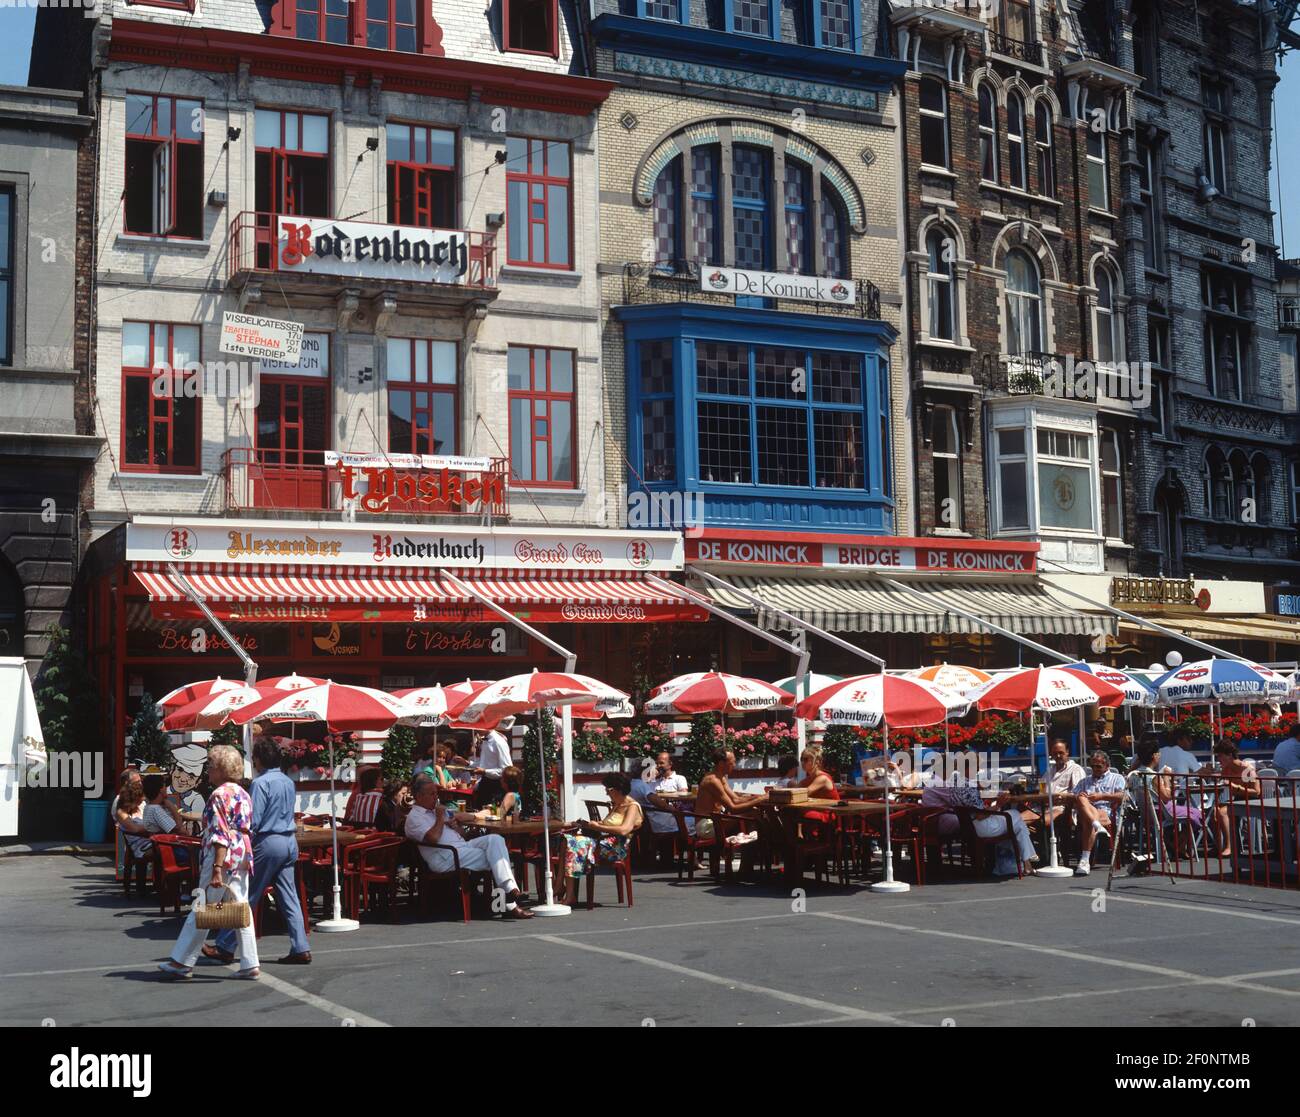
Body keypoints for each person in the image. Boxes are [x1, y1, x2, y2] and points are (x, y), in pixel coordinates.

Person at [204, 736, 311, 967]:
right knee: (289, 897)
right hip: (289, 841)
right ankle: (300, 945)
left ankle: (224, 945)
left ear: (260, 760)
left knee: (245, 894)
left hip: (267, 842)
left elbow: (254, 819)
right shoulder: (287, 781)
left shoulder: (260, 784)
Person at [158, 745, 260, 979]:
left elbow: (219, 834)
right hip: (242, 853)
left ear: (221, 770)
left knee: (202, 907)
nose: (208, 772)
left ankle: (181, 961)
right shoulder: (243, 793)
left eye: (211, 767)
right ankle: (249, 962)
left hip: (222, 856)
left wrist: (216, 867)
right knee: (240, 906)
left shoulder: (218, 795)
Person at [404, 773, 533, 919]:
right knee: (497, 857)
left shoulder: (437, 810)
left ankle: (509, 893)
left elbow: (462, 836)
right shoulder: (414, 818)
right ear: (420, 796)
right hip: (445, 856)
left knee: (496, 840)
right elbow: (433, 838)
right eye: (432, 794)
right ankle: (510, 898)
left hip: (462, 848)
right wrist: (440, 818)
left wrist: (455, 826)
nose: (436, 797)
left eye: (436, 793)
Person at [919, 775, 1039, 878]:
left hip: (967, 825)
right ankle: (1026, 861)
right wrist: (998, 805)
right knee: (1016, 816)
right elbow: (980, 815)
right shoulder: (962, 788)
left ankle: (1026, 862)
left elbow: (974, 810)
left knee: (1017, 825)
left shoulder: (957, 788)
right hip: (977, 827)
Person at [560, 772, 643, 906]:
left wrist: (598, 828)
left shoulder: (632, 806)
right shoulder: (617, 805)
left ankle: (566, 892)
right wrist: (591, 825)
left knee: (575, 842)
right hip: (604, 843)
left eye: (607, 790)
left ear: (614, 790)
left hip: (615, 848)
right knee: (568, 839)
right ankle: (564, 888)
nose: (606, 794)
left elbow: (624, 830)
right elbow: (607, 826)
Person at [1072, 750, 1127, 876]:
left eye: (1098, 766)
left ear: (1107, 765)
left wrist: (1101, 796)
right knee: (1080, 798)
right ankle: (1097, 825)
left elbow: (1124, 796)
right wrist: (1080, 797)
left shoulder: (1117, 778)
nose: (1095, 769)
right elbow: (1073, 797)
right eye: (1092, 766)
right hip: (1087, 813)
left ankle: (1085, 860)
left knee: (1088, 821)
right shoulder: (1084, 781)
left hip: (1107, 812)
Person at [1201, 740, 1259, 857]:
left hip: (1251, 800)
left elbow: (1256, 792)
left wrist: (1236, 787)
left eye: (1220, 756)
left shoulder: (1246, 769)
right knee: (1214, 811)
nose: (1219, 759)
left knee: (1222, 812)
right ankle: (1220, 845)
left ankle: (1230, 846)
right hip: (1237, 799)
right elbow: (1223, 784)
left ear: (1230, 755)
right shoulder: (1227, 769)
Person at [693, 748, 764, 839]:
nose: (734, 765)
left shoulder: (721, 777)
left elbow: (736, 799)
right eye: (732, 763)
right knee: (753, 813)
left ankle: (752, 847)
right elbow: (733, 808)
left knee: (753, 812)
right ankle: (754, 848)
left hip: (715, 820)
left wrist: (759, 797)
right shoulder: (712, 780)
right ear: (721, 764)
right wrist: (759, 800)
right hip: (706, 826)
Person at [1020, 740, 1084, 830]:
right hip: (1042, 807)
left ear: (1067, 752)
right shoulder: (1050, 770)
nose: (1057, 756)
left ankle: (1044, 843)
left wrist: (1061, 797)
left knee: (1041, 822)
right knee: (1016, 821)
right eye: (1055, 753)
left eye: (1061, 753)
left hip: (1061, 808)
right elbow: (1041, 790)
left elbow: (1079, 794)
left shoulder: (1075, 769)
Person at [637, 750, 691, 835]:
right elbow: (646, 793)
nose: (658, 766)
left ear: (670, 764)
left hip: (673, 812)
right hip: (661, 815)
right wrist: (651, 777)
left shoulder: (679, 778)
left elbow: (684, 795)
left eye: (661, 763)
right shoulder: (654, 781)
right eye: (657, 763)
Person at [470, 717, 514, 808]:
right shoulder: (485, 740)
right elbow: (484, 764)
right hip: (485, 784)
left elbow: (507, 769)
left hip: (496, 787)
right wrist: (467, 763)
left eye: (478, 725)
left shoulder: (498, 742)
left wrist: (485, 772)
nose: (475, 728)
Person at [796, 745, 839, 823]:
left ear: (817, 761)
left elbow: (804, 792)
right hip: (816, 809)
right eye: (801, 759)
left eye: (805, 759)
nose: (802, 762)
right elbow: (794, 790)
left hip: (828, 813)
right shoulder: (807, 779)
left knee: (793, 812)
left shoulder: (822, 778)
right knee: (788, 811)